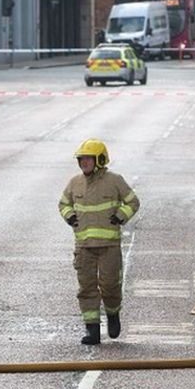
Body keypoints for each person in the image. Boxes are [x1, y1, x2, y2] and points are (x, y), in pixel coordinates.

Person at [58, 139, 140, 345]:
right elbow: (63, 204)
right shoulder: (75, 183)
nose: (83, 162)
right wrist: (69, 216)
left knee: (110, 285)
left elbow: (133, 201)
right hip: (84, 247)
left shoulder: (114, 181)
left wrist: (121, 216)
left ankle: (113, 314)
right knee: (86, 288)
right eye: (81, 159)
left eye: (88, 158)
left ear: (100, 160)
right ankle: (92, 329)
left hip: (109, 246)